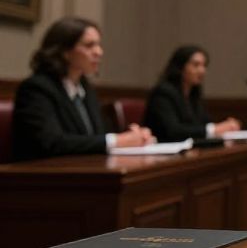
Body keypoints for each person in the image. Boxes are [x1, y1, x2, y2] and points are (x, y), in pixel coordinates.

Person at [12, 17, 154, 161]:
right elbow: (51, 142)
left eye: (98, 44)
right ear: (65, 51)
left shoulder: (85, 88)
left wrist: (133, 136)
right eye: (89, 45)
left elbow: (99, 135)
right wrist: (116, 140)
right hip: (44, 172)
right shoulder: (36, 89)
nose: (99, 52)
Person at [144, 45, 241, 142]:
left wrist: (225, 127)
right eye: (196, 65)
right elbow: (174, 130)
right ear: (180, 67)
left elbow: (204, 123)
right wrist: (214, 129)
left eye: (204, 65)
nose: (202, 71)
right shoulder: (163, 92)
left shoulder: (193, 94)